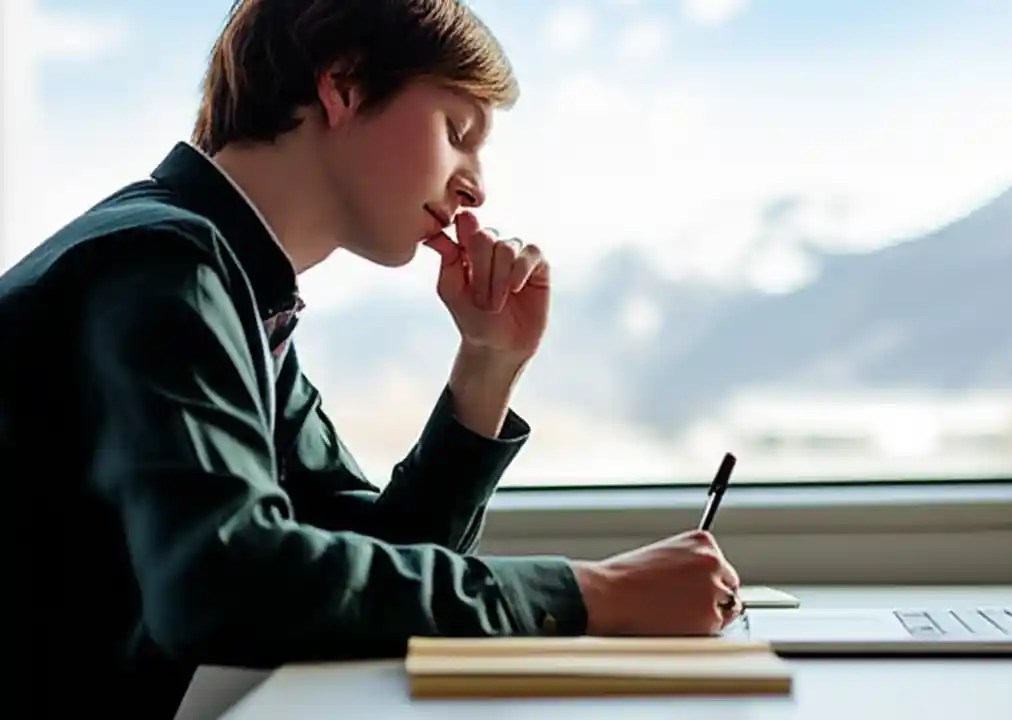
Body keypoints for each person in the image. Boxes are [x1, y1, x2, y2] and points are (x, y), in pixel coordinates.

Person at [0, 1, 742, 716]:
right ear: (344, 86)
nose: (476, 184)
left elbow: (366, 563)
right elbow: (231, 585)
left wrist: (486, 365)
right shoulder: (161, 270)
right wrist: (592, 595)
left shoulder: (236, 294)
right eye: (458, 130)